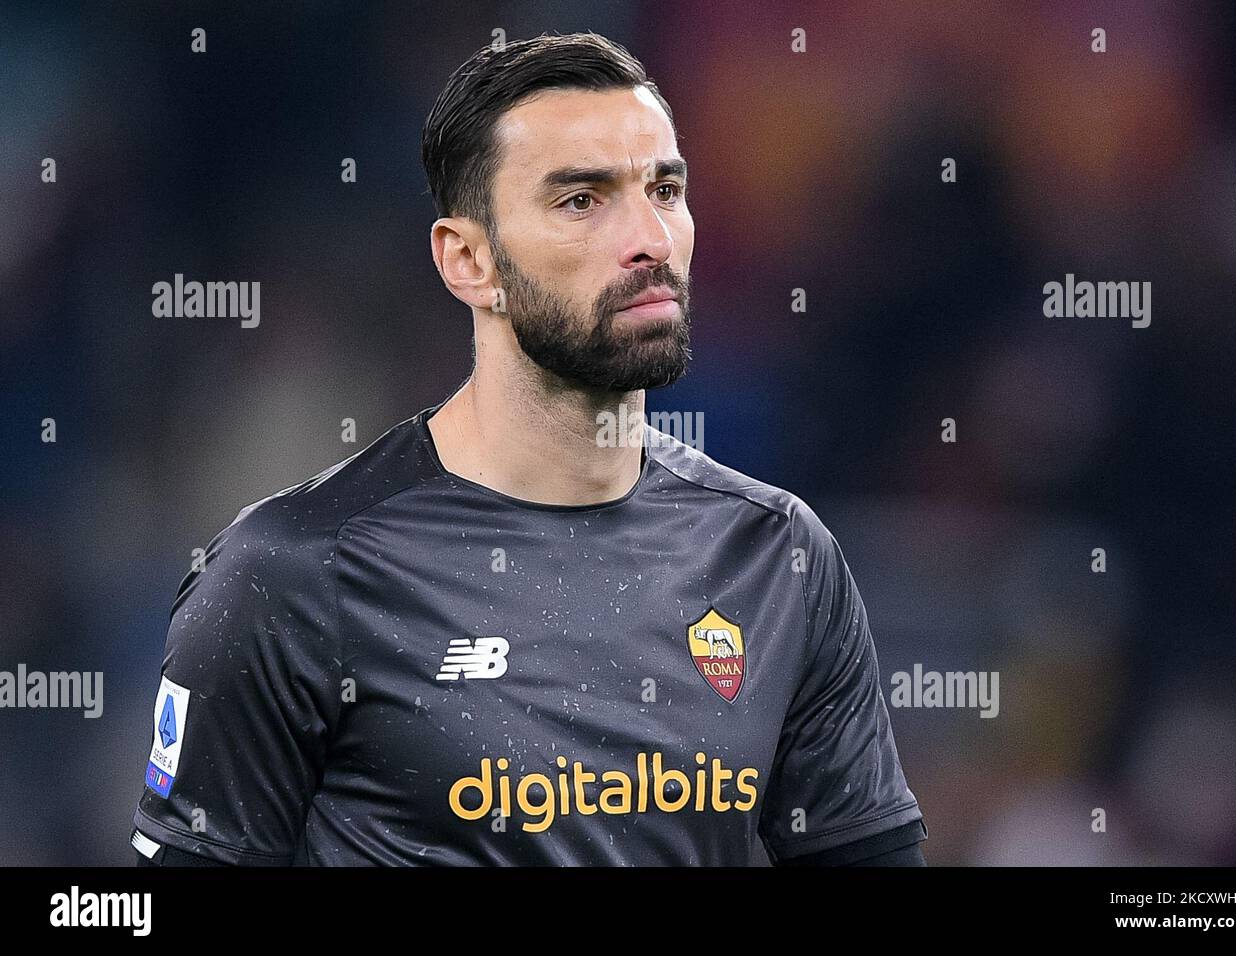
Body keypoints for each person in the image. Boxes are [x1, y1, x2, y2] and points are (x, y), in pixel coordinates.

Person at [132, 31, 927, 867]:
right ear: (469, 260)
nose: (650, 238)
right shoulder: (292, 573)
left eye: (665, 188)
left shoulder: (779, 556)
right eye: (582, 200)